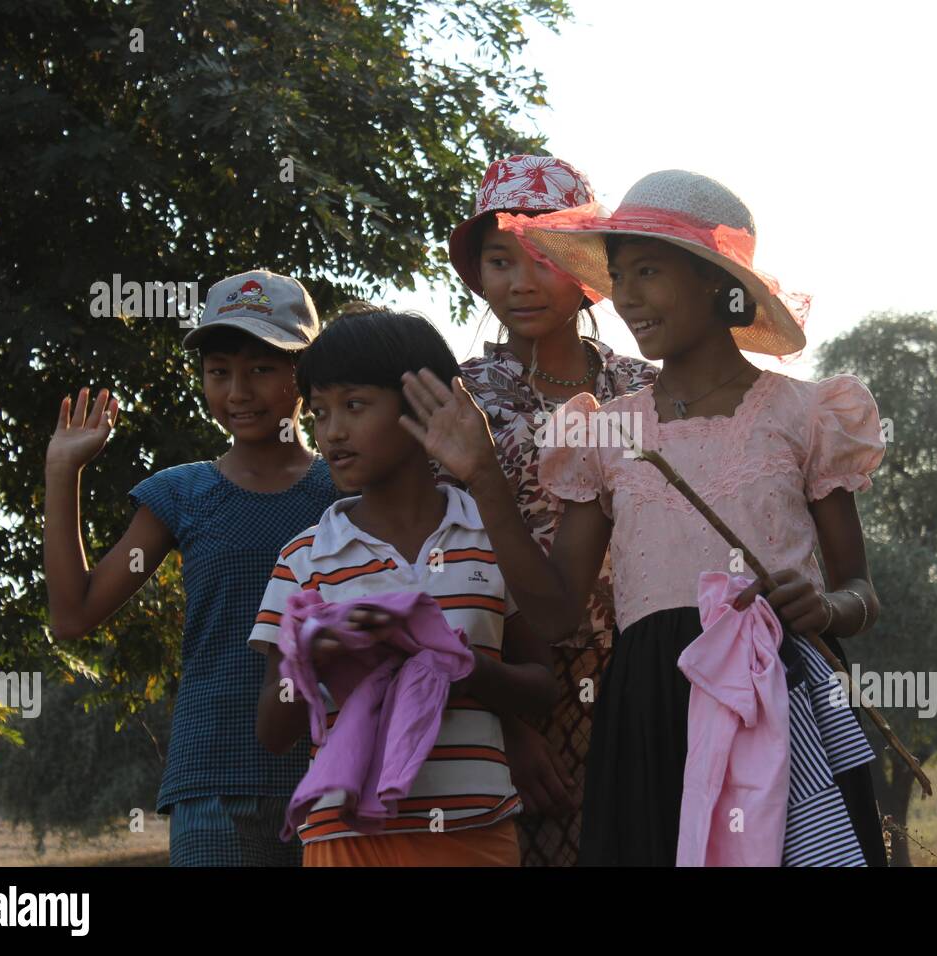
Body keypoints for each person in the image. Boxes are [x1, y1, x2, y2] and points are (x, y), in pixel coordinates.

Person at [399, 169, 889, 866]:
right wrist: (483, 477)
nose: (626, 296)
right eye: (620, 275)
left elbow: (861, 593)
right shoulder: (602, 430)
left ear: (721, 288)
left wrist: (824, 609)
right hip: (645, 709)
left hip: (777, 700)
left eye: (649, 272)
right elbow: (555, 612)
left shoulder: (807, 415)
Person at [43, 270, 340, 866]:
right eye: (218, 371)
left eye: (262, 368)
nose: (238, 391)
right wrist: (62, 472)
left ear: (304, 375)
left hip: (338, 774)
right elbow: (74, 615)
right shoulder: (182, 496)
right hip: (214, 784)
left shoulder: (346, 489)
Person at [250, 304, 558, 866]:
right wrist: (312, 659)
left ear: (422, 407)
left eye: (355, 405)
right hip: (346, 843)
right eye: (319, 412)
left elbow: (543, 687)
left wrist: (466, 670)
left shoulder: (493, 538)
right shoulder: (304, 558)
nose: (332, 430)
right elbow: (273, 731)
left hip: (476, 833)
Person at [446, 154, 656, 865]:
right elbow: (434, 561)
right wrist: (506, 721)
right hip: (506, 677)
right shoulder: (459, 401)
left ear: (586, 269)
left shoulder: (646, 389)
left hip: (651, 673)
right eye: (500, 261)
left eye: (542, 257)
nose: (520, 282)